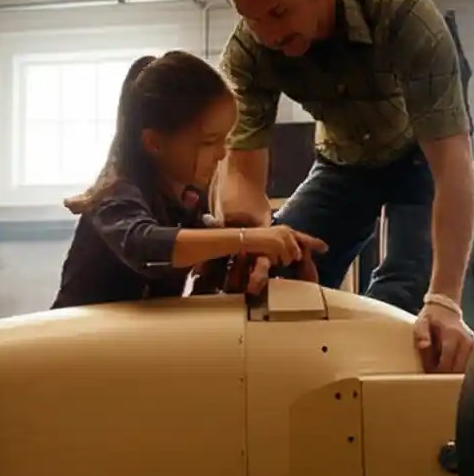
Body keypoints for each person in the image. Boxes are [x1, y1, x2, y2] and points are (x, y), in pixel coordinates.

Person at [211, 0, 474, 373]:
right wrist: (255, 241)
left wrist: (445, 300)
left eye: (278, 12)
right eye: (252, 19)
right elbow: (243, 175)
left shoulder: (406, 18)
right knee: (277, 282)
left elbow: (454, 164)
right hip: (341, 163)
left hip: (419, 158)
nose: (267, 34)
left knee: (405, 302)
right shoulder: (249, 50)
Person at [52, 50, 326, 310]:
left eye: (224, 140)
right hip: (69, 345)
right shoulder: (115, 193)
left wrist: (272, 246)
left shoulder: (187, 199)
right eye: (208, 142)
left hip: (126, 343)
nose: (221, 154)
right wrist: (247, 239)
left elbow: (202, 253)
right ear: (154, 143)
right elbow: (144, 246)